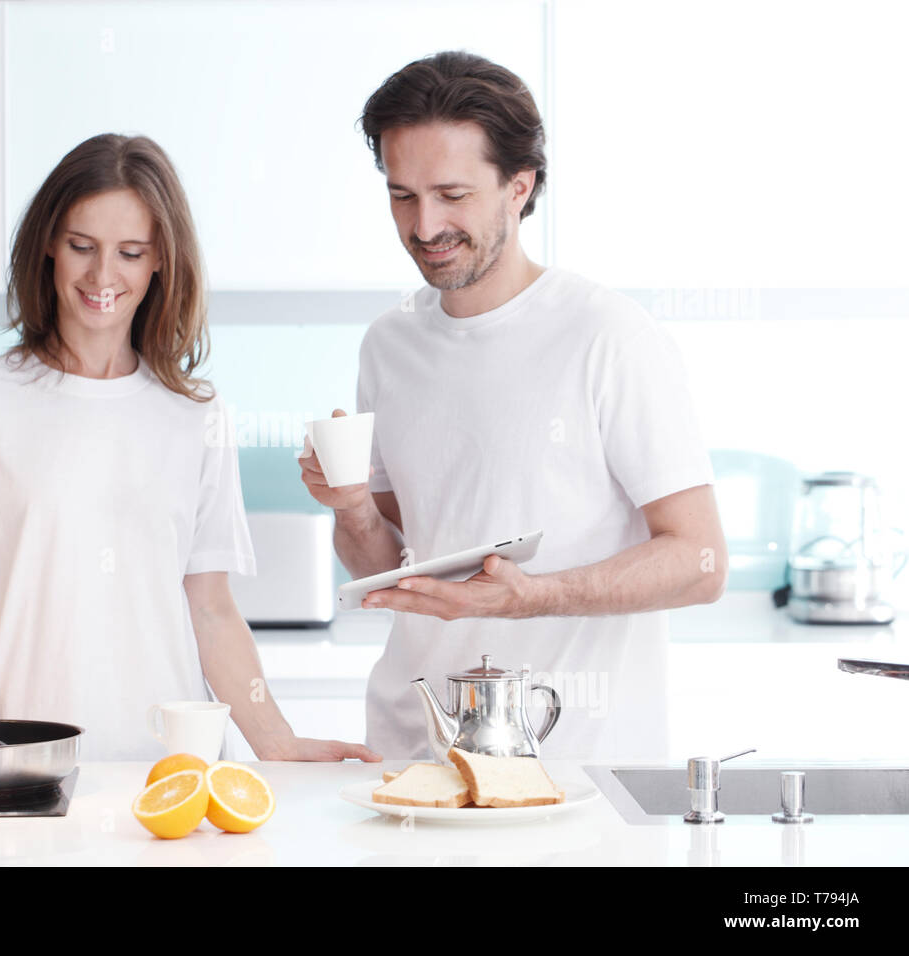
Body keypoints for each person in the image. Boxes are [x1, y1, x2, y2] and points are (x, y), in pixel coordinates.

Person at [0, 133, 379, 763]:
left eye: (129, 252)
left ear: (160, 262)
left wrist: (278, 742)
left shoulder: (196, 414)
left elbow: (211, 609)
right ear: (48, 245)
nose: (102, 276)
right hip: (29, 766)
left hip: (178, 771)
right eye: (81, 247)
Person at [299, 52, 727, 761]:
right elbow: (395, 566)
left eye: (451, 194)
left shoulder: (607, 335)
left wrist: (532, 595)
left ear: (518, 188)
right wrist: (349, 507)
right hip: (418, 757)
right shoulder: (389, 345)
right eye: (402, 195)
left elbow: (702, 561)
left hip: (575, 767)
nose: (424, 224)